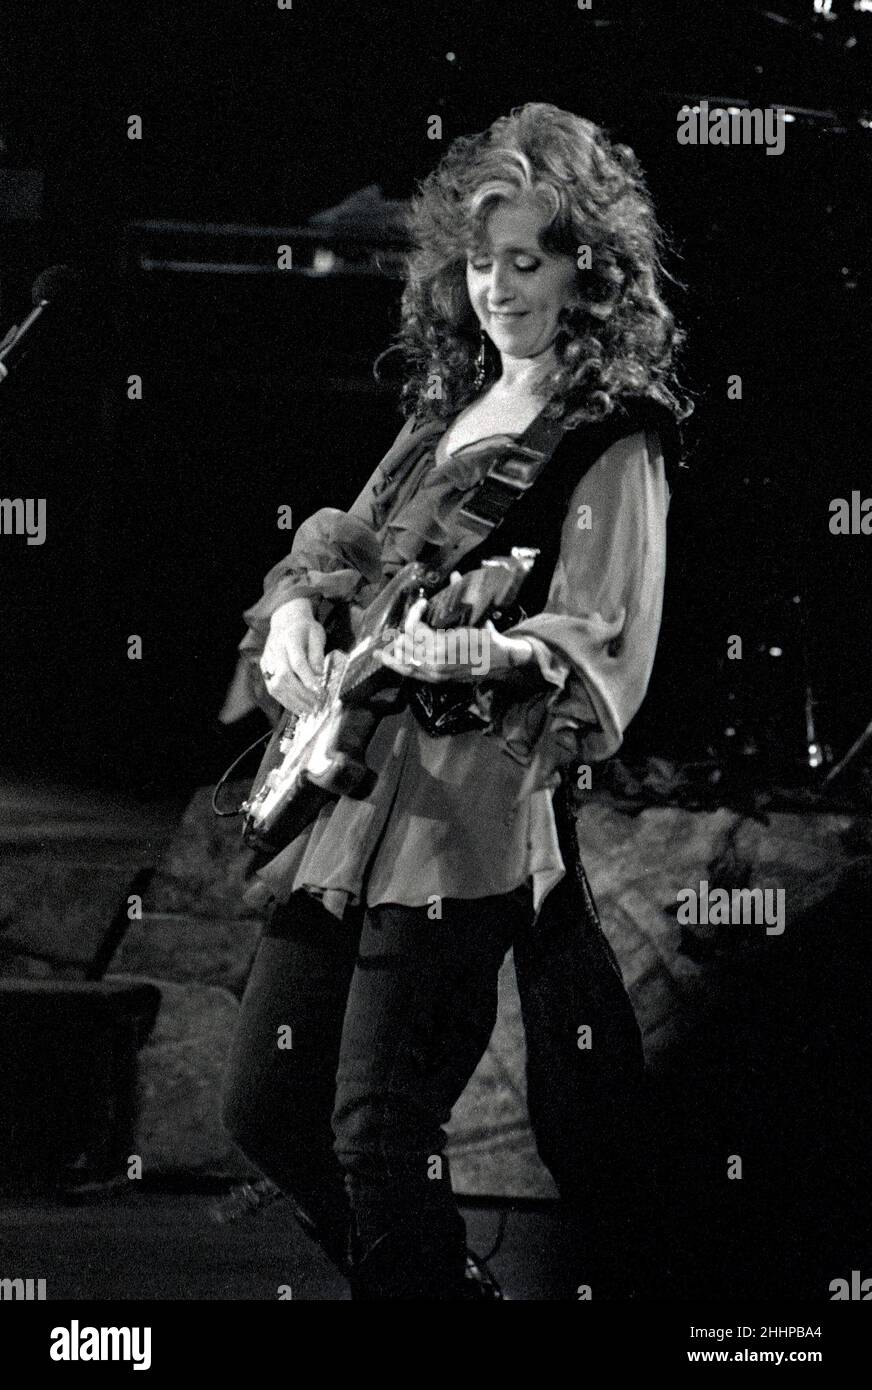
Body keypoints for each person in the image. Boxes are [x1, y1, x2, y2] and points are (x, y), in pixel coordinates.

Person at [220, 102, 689, 1300]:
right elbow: (339, 545)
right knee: (267, 1110)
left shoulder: (610, 439)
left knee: (380, 1131)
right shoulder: (440, 418)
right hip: (348, 802)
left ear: (587, 268)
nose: (496, 288)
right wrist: (290, 611)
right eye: (478, 263)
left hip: (465, 822)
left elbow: (599, 634)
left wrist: (484, 657)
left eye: (525, 260)